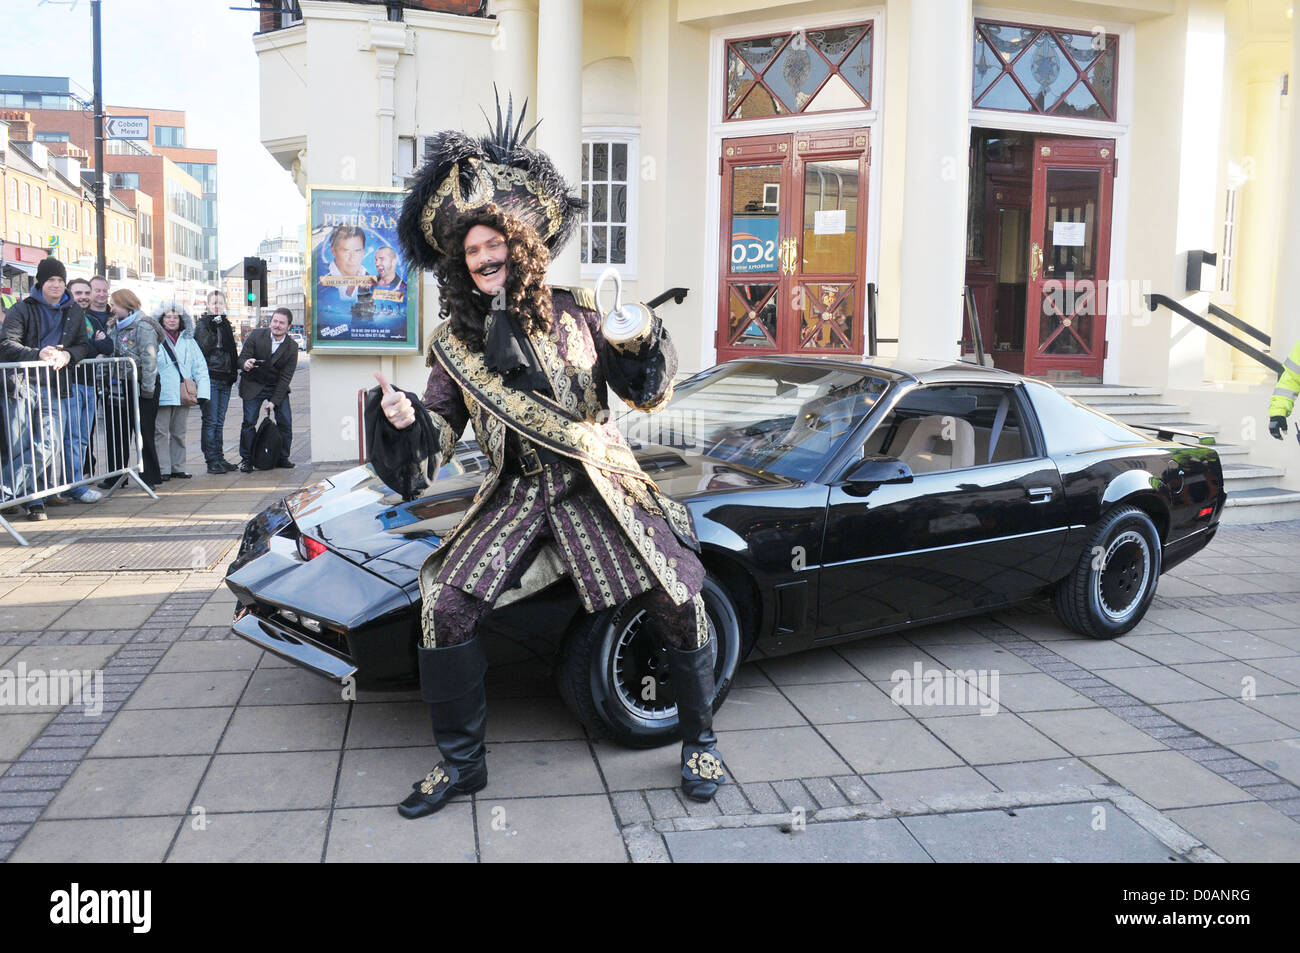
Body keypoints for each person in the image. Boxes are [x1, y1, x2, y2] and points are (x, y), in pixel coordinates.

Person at [370, 95, 724, 821]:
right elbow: (437, 434)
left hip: (599, 482)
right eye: (469, 251)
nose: (484, 256)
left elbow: (642, 391)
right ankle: (463, 764)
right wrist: (405, 418)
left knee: (679, 598)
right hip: (515, 494)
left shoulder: (578, 310)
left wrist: (637, 337)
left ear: (519, 242)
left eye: (493, 242)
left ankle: (699, 739)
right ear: (459, 265)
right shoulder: (455, 348)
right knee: (446, 604)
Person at [0, 258, 90, 521]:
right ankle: (33, 500)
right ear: (41, 281)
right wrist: (36, 353)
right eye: (51, 280)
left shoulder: (74, 310)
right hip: (21, 385)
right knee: (20, 445)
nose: (56, 285)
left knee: (49, 443)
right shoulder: (21, 309)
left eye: (61, 281)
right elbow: (6, 343)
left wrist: (68, 356)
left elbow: (82, 345)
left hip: (54, 386)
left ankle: (5, 489)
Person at [45, 278, 107, 505]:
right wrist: (93, 348)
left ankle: (74, 483)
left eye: (86, 293)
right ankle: (72, 486)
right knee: (68, 438)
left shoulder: (89, 318)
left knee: (81, 438)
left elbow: (107, 346)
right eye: (78, 292)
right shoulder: (65, 316)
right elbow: (80, 347)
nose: (82, 296)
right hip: (69, 384)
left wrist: (94, 347)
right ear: (70, 293)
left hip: (90, 385)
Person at [105, 289, 163, 489]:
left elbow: (149, 359)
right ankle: (116, 476)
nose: (111, 308)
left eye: (115, 304)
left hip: (141, 385)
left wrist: (147, 389)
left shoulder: (143, 326)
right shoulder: (114, 326)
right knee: (118, 431)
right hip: (121, 383)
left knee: (144, 432)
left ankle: (150, 476)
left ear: (127, 304)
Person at [153, 302, 210, 481]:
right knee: (160, 433)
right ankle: (163, 469)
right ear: (161, 319)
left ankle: (178, 467)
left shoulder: (189, 341)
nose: (171, 320)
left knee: (179, 432)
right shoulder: (154, 339)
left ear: (181, 320)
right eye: (168, 316)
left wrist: (203, 393)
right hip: (161, 392)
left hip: (183, 393)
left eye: (175, 317)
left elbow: (200, 366)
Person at [237, 307, 298, 472]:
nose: (277, 325)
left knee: (285, 422)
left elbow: (286, 377)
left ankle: (282, 457)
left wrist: (274, 401)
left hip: (276, 386)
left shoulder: (292, 347)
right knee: (249, 422)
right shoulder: (257, 335)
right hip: (253, 383)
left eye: (282, 323)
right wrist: (246, 364)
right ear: (271, 322)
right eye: (275, 321)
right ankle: (247, 459)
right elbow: (241, 358)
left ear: (288, 326)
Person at [194, 290, 239, 474]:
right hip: (210, 378)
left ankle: (219, 457)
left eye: (220, 302)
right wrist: (213, 328)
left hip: (226, 378)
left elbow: (231, 352)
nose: (217, 305)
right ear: (208, 305)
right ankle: (211, 459)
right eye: (214, 302)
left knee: (220, 422)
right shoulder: (204, 325)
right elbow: (202, 349)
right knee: (210, 421)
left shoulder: (226, 324)